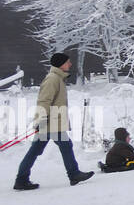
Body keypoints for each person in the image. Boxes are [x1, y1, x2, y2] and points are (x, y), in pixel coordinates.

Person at [13, 52, 94, 191]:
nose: (70, 64)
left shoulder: (57, 78)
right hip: (51, 122)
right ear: (61, 64)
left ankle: (21, 179)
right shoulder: (52, 79)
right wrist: (41, 119)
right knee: (66, 146)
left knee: (35, 151)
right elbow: (44, 101)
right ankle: (74, 174)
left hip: (51, 122)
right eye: (68, 62)